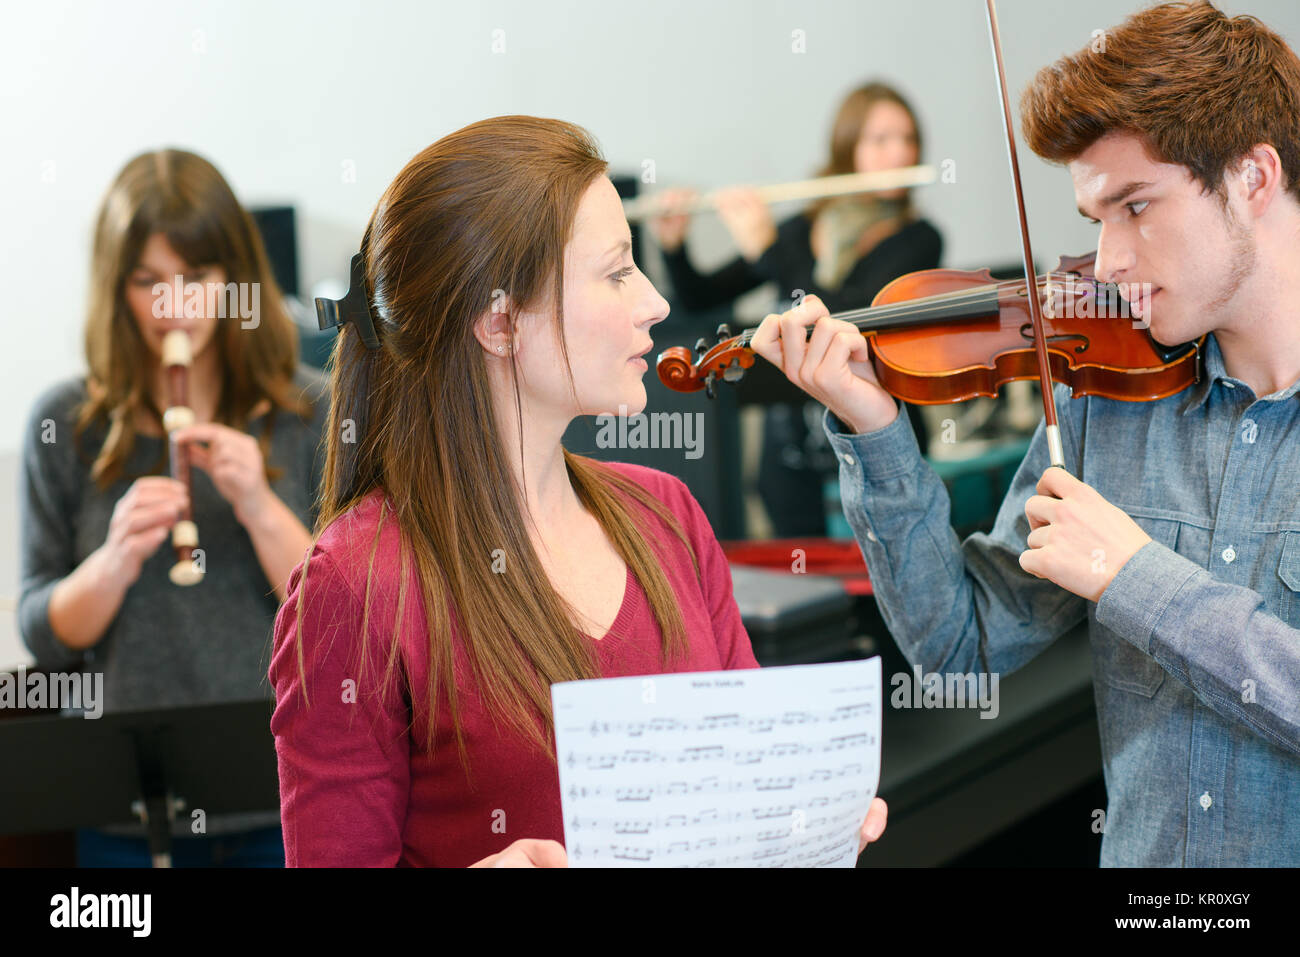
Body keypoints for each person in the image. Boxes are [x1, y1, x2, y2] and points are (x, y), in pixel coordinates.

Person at [750, 1, 1300, 867]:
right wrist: (877, 426)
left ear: (1254, 178)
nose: (1108, 262)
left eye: (1136, 206)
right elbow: (960, 644)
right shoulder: (1108, 394)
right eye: (1095, 221)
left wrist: (1136, 578)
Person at [267, 115, 889, 867]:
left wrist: (800, 824)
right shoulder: (352, 584)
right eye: (619, 270)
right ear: (500, 323)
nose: (655, 303)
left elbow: (736, 808)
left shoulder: (667, 513)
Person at [17, 148, 328, 866]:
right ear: (115, 288)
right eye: (147, 282)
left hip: (285, 797)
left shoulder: (311, 408)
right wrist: (114, 560)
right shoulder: (65, 422)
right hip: (123, 807)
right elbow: (45, 634)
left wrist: (259, 508)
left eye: (196, 279)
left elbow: (347, 618)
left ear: (236, 279)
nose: (173, 308)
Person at [651, 82, 943, 535]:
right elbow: (702, 298)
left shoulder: (919, 238)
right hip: (790, 455)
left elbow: (846, 317)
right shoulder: (806, 228)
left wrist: (767, 250)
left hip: (876, 438)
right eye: (881, 140)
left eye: (908, 139)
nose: (900, 153)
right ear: (848, 148)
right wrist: (673, 246)